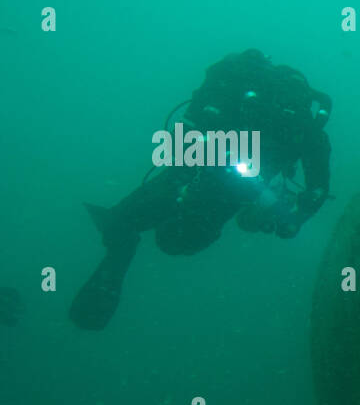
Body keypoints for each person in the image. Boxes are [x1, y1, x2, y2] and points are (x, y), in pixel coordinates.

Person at [70, 49, 332, 330]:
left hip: (204, 184)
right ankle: (117, 260)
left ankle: (121, 250)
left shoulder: (285, 118)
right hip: (202, 182)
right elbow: (316, 192)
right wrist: (291, 220)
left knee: (156, 236)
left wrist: (284, 218)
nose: (288, 106)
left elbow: (315, 191)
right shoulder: (292, 122)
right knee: (145, 229)